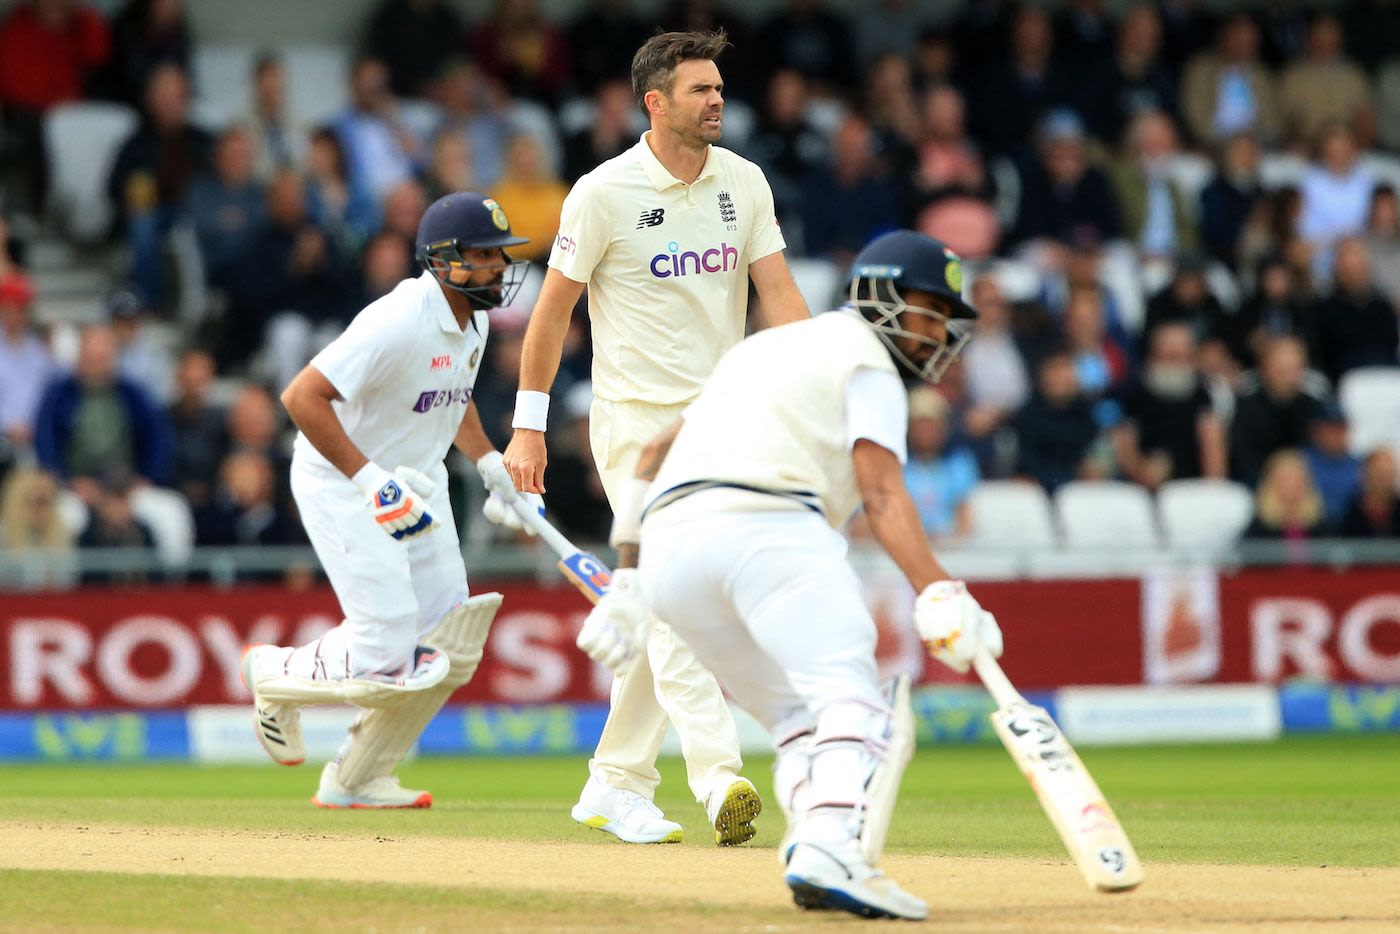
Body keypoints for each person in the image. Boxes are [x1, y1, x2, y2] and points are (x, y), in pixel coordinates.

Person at [574, 231, 1001, 920]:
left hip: (672, 555)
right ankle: (831, 843)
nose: (936, 331)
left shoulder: (760, 349)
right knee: (853, 701)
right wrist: (940, 589)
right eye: (928, 310)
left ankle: (814, 840)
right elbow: (885, 494)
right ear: (880, 295)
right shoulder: (869, 363)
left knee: (797, 719)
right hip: (768, 527)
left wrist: (627, 580)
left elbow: (654, 452)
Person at [501, 30, 811, 846]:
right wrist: (527, 431)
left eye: (719, 88)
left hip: (724, 422)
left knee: (670, 601)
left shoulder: (743, 183)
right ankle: (720, 777)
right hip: (635, 427)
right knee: (676, 596)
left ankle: (614, 781)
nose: (717, 101)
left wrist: (822, 388)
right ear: (656, 102)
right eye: (700, 90)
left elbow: (777, 295)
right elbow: (551, 313)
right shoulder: (603, 193)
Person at [239, 192, 545, 808]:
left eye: (500, 256)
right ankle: (272, 674)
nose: (497, 269)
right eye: (483, 256)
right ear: (442, 260)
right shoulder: (399, 318)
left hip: (416, 484)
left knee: (449, 644)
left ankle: (357, 777)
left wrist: (489, 463)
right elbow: (301, 398)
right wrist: (368, 480)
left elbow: (449, 399)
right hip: (339, 479)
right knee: (385, 648)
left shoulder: (476, 320)